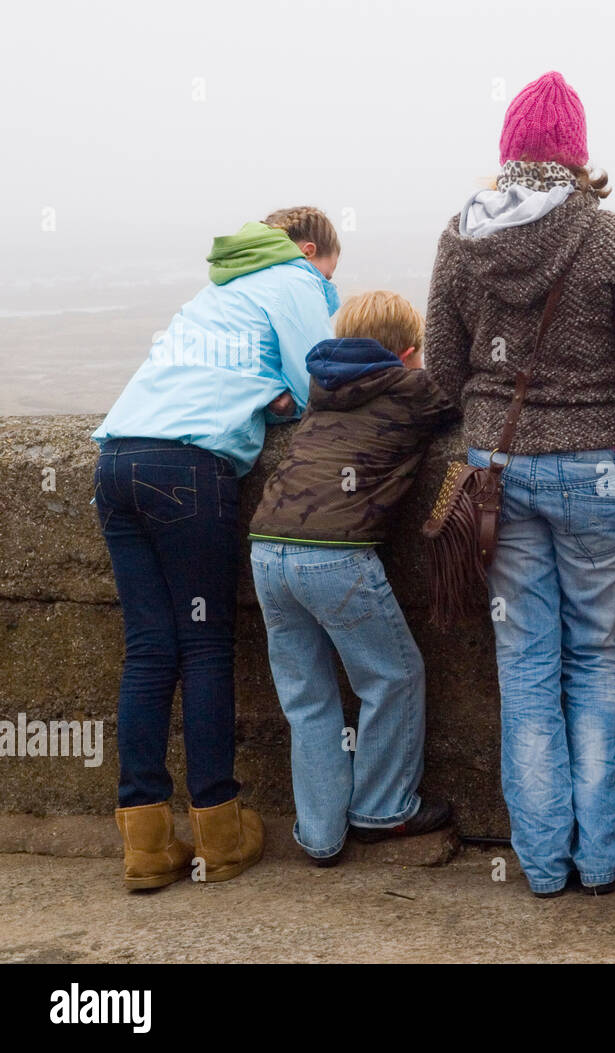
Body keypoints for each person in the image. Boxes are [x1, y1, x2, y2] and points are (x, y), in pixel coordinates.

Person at [424, 71, 615, 897]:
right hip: (602, 467)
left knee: (525, 662)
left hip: (499, 473)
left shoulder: (459, 240)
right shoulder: (610, 239)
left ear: (506, 154)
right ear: (577, 155)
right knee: (596, 656)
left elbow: (441, 366)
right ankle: (602, 858)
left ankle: (541, 863)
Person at [93, 206, 341, 889]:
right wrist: (284, 400)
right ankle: (220, 832)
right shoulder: (294, 278)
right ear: (312, 250)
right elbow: (323, 381)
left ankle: (146, 844)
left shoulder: (217, 290)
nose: (329, 292)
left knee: (149, 648)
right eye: (332, 278)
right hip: (187, 468)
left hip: (117, 458)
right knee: (204, 645)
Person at [248, 291, 458, 865]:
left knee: (306, 698)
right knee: (393, 676)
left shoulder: (322, 389)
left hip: (266, 549)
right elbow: (462, 412)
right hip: (334, 556)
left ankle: (319, 835)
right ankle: (384, 809)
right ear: (410, 351)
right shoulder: (414, 389)